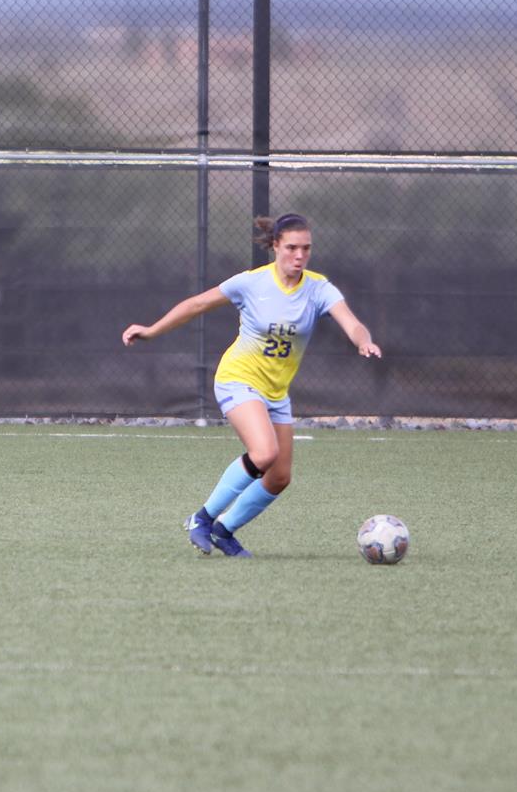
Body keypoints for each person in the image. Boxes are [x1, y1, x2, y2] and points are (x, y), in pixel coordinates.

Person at [121, 213, 382, 558]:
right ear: (275, 246)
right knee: (264, 453)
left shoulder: (318, 288)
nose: (299, 256)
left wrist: (362, 341)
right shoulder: (252, 282)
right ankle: (202, 518)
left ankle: (223, 531)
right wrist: (152, 330)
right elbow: (197, 304)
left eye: (306, 248)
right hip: (238, 379)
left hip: (276, 393)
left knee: (278, 477)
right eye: (291, 248)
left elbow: (351, 322)